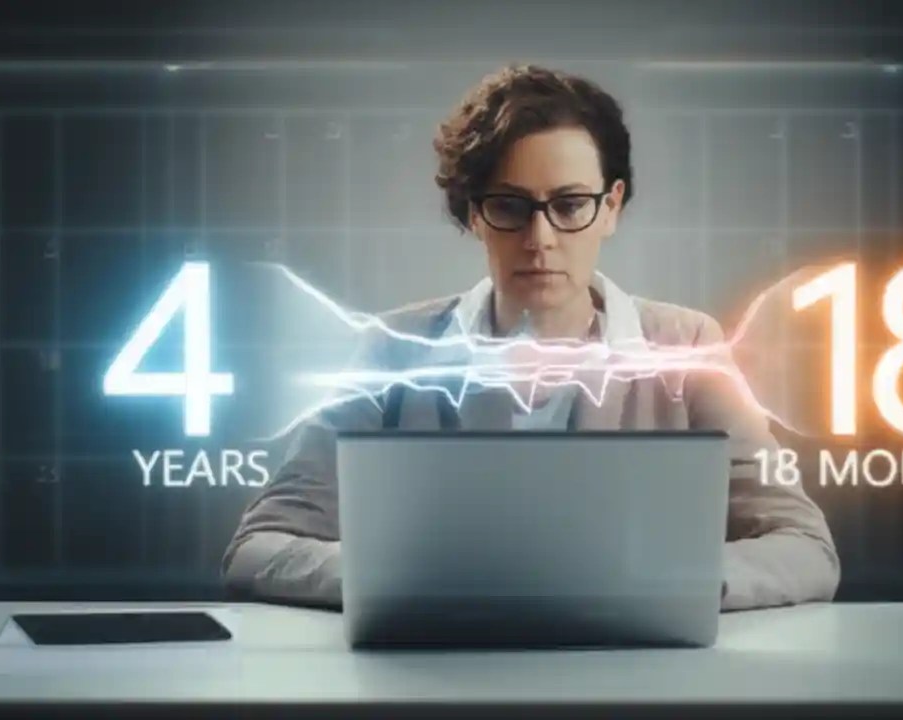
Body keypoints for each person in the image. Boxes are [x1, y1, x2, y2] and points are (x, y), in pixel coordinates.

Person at [222, 64, 840, 611]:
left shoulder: (686, 346)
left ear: (612, 206)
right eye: (511, 207)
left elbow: (806, 548)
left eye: (570, 205)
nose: (540, 238)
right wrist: (393, 580)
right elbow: (257, 547)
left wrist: (675, 582)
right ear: (472, 213)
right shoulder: (397, 349)